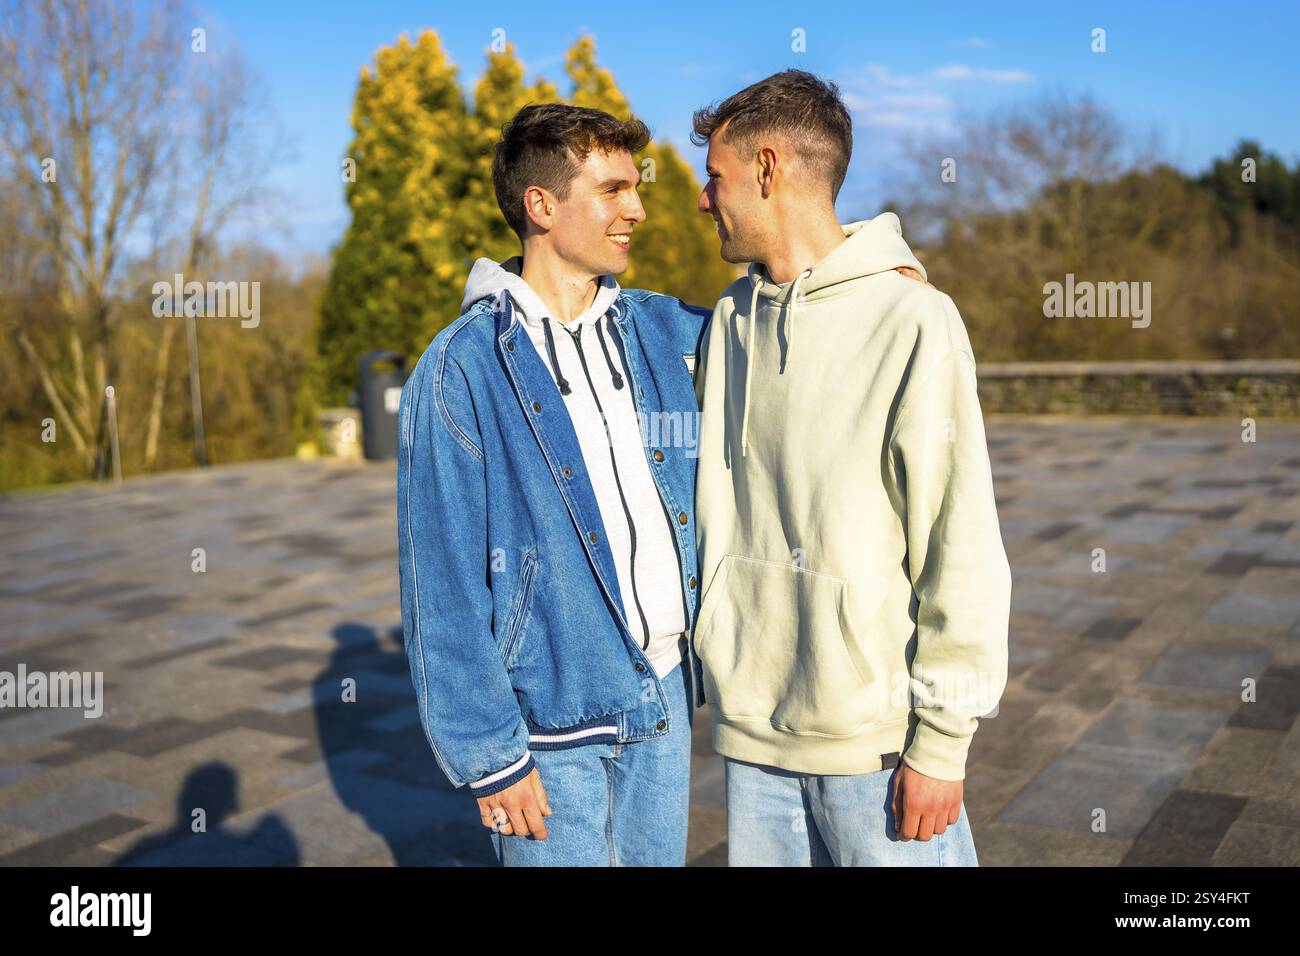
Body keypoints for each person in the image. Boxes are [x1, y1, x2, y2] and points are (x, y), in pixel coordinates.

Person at [690, 70, 1012, 866]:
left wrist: (942, 743)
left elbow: (959, 541)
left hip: (875, 748)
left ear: (767, 169)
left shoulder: (911, 321)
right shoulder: (730, 318)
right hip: (753, 734)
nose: (703, 199)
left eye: (716, 176)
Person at [396, 103, 709, 866]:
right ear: (541, 205)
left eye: (635, 187)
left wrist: (880, 264)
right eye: (611, 189)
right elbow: (441, 581)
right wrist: (489, 757)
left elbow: (786, 318)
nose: (636, 207)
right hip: (549, 722)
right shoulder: (460, 368)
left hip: (665, 696)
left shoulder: (663, 329)